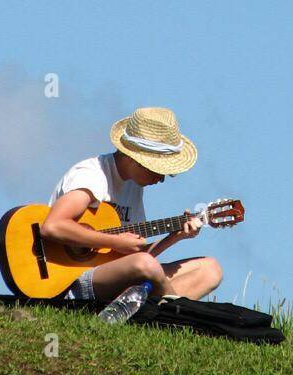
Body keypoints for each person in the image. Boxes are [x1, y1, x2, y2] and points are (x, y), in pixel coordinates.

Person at [41, 107, 223, 303]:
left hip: (115, 280)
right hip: (68, 280)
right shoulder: (91, 175)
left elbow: (133, 258)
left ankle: (150, 310)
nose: (161, 178)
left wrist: (174, 238)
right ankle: (177, 316)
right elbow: (53, 226)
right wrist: (114, 241)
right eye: (157, 170)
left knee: (210, 269)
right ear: (134, 158)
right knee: (145, 264)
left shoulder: (134, 187)